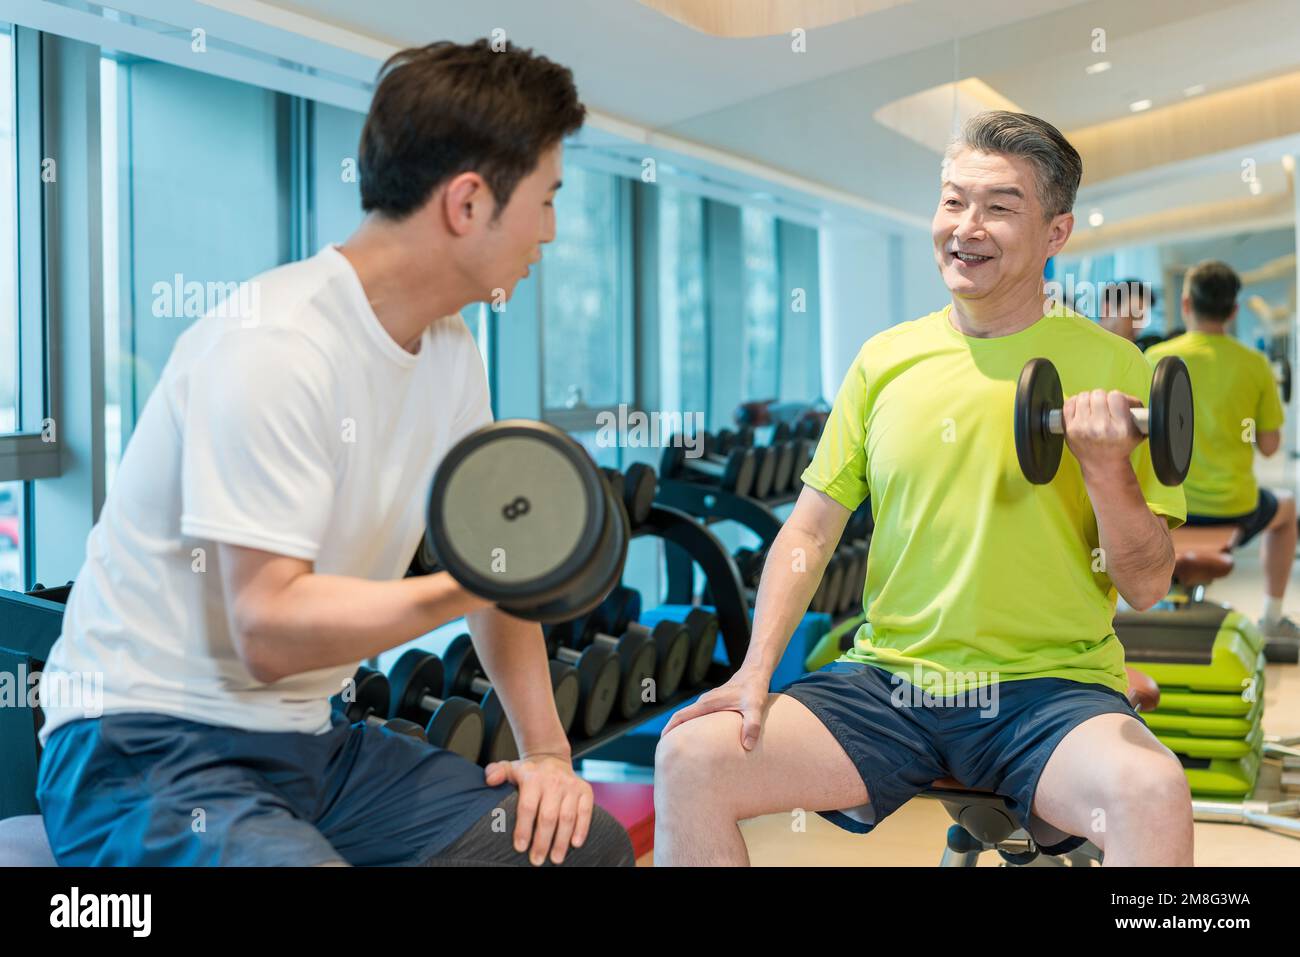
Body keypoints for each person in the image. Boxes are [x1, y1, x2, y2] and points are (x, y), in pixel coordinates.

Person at [35, 39, 634, 868]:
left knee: (573, 844)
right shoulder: (276, 346)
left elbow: (494, 576)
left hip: (314, 746)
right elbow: (269, 633)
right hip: (143, 744)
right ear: (468, 202)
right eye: (545, 199)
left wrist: (548, 756)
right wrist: (474, 578)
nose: (551, 231)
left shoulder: (453, 352)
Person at [654, 111, 1193, 866]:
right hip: (891, 684)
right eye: (951, 200)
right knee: (691, 759)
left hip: (1051, 689)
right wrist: (753, 672)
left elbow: (1145, 583)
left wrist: (1105, 469)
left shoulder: (1117, 369)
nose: (965, 227)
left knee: (1152, 790)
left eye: (999, 207)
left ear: (1056, 233)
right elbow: (810, 531)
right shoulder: (885, 359)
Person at [1147, 261, 1297, 642]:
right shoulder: (1255, 364)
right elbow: (1269, 446)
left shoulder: (1154, 359)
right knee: (1286, 509)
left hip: (1170, 510)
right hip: (1235, 508)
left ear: (1185, 305)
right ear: (1233, 311)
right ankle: (1272, 618)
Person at [1099, 278, 1156, 345]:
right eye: (1133, 316)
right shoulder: (1084, 344)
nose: (1138, 326)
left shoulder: (1130, 352)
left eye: (1141, 319)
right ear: (1107, 310)